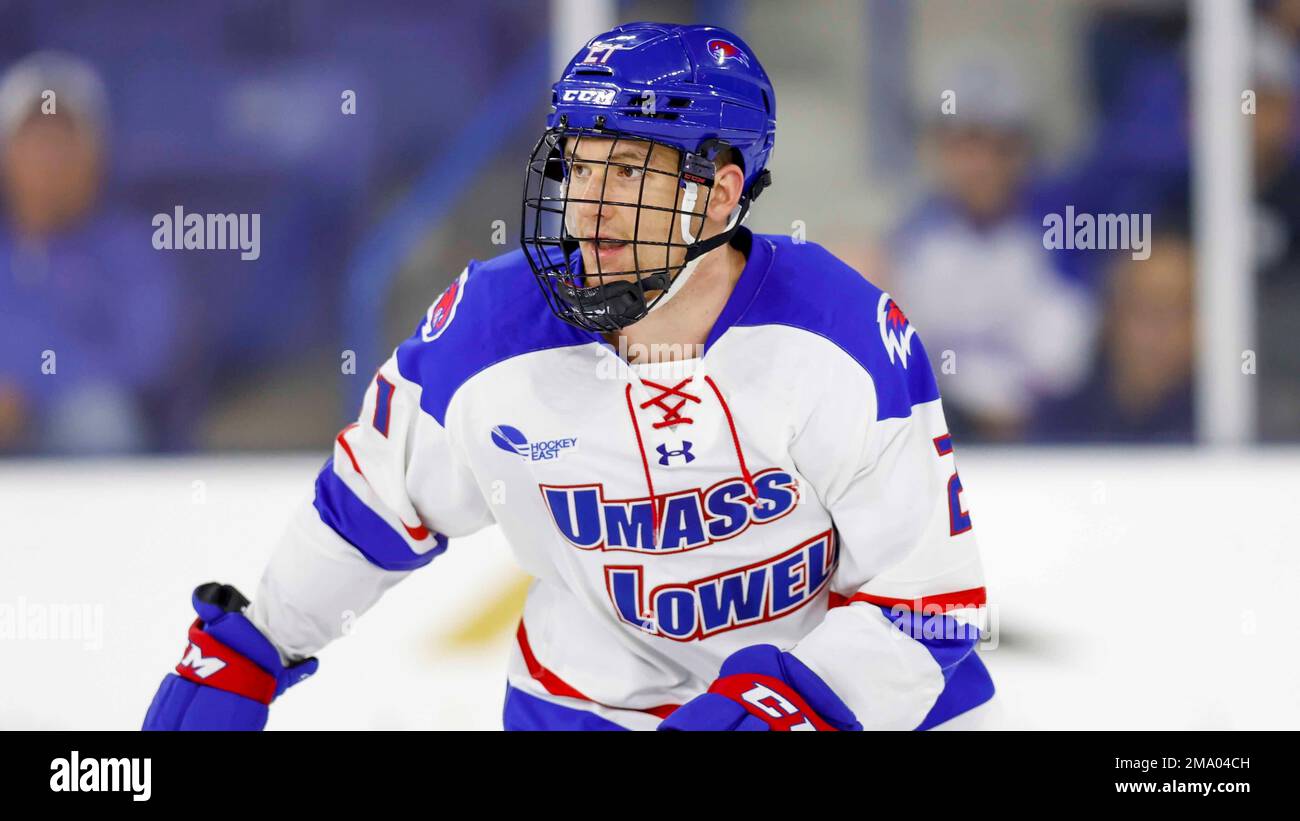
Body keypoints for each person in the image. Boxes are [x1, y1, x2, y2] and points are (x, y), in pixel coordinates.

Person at [143, 22, 994, 732]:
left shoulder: (841, 336)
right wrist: (254, 648)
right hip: (592, 702)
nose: (587, 205)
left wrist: (782, 707)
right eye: (579, 167)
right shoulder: (488, 329)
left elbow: (927, 608)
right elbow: (373, 504)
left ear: (722, 193)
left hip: (833, 702)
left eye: (627, 172)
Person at [887, 57, 1094, 443]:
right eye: (964, 146)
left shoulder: (1060, 240)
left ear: (1022, 151)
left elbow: (1066, 362)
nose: (980, 166)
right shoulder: (911, 244)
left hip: (1049, 437)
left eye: (997, 147)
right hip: (939, 436)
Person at [0, 51, 180, 454]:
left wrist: (27, 389)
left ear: (95, 154)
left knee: (98, 421)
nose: (50, 161)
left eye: (64, 140)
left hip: (75, 439)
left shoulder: (132, 251)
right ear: (7, 157)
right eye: (34, 142)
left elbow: (147, 357)